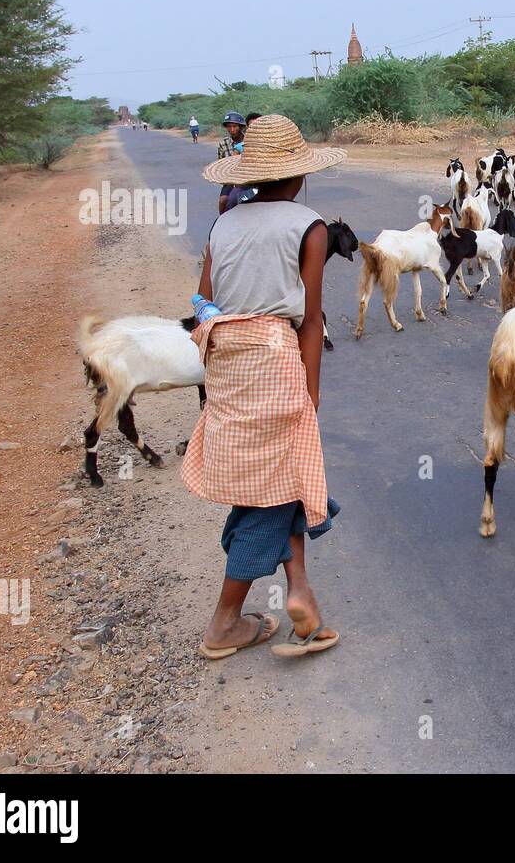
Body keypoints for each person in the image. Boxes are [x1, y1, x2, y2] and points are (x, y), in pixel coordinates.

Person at [185, 113, 346, 659]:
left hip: (227, 362)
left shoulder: (223, 224)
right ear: (300, 175)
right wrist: (311, 391)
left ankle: (301, 595)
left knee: (279, 479)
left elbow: (203, 298)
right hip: (277, 360)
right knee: (269, 494)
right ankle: (223, 623)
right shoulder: (309, 225)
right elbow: (313, 317)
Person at [216, 112, 247, 214]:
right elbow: (220, 163)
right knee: (223, 200)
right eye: (229, 127)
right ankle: (222, 220)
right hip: (230, 179)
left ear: (241, 127)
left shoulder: (249, 140)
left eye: (234, 126)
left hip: (248, 178)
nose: (232, 129)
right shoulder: (223, 143)